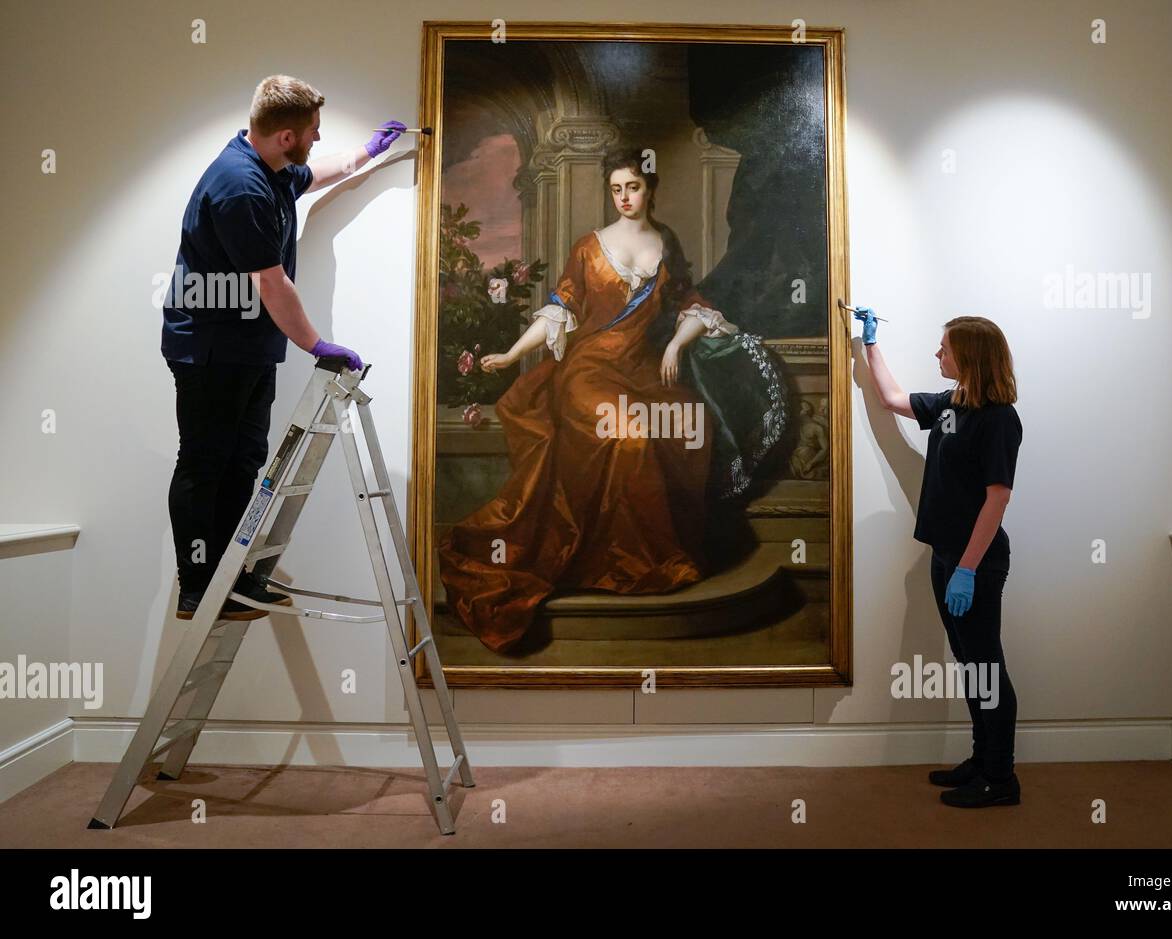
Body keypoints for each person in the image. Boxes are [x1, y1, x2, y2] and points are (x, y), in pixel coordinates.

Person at [438, 147, 788, 652]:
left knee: (683, 426)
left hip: (643, 369)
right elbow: (559, 310)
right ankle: (614, 560)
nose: (624, 197)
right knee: (630, 436)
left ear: (650, 188)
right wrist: (514, 353)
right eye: (616, 189)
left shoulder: (666, 244)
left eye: (633, 187)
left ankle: (643, 559)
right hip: (587, 369)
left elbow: (693, 304)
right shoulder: (588, 247)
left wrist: (674, 342)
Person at [161, 74, 404, 620]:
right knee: (205, 462)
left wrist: (367, 151)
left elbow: (313, 175)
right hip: (209, 348)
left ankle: (228, 572)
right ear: (287, 136)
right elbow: (271, 283)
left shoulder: (269, 169)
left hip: (248, 345)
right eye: (313, 131)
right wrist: (318, 345)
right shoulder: (239, 186)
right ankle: (198, 586)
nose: (317, 139)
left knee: (243, 459)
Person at [852, 308, 1024, 808]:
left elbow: (998, 498)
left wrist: (968, 568)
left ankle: (1001, 779)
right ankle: (980, 761)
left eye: (944, 347)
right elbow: (890, 399)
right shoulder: (953, 404)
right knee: (971, 665)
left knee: (986, 665)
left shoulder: (998, 420)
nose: (937, 353)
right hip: (946, 556)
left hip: (977, 562)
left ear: (968, 355)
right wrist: (870, 343)